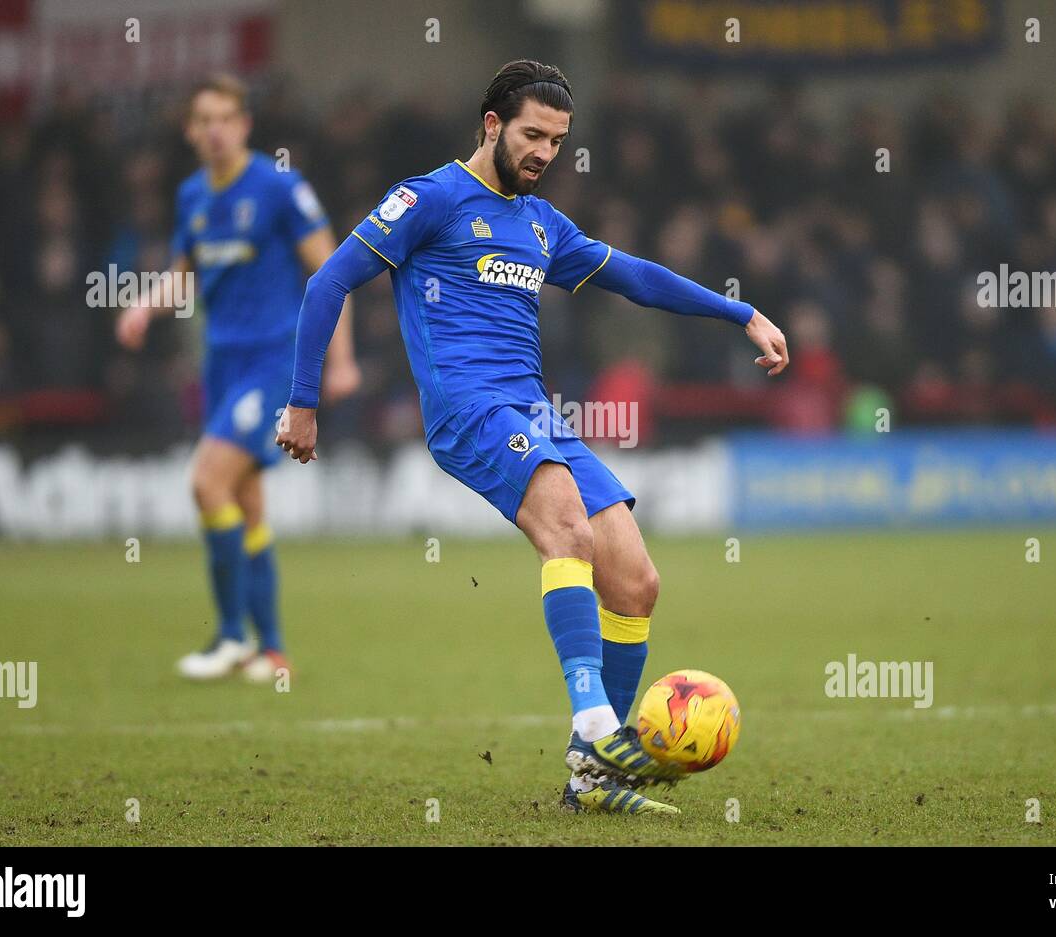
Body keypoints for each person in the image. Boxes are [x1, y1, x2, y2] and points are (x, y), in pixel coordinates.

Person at [275, 60, 787, 814]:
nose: (547, 152)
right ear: (493, 125)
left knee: (636, 581)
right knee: (567, 530)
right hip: (469, 410)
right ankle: (596, 729)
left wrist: (741, 313)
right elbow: (328, 282)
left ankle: (594, 783)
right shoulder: (429, 198)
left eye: (559, 140)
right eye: (534, 135)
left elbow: (635, 276)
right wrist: (303, 402)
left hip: (535, 414)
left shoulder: (544, 225)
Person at [116, 74, 361, 682]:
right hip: (221, 363)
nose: (216, 129)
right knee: (246, 504)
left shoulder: (279, 188)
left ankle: (229, 637)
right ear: (191, 131)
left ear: (245, 125)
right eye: (204, 119)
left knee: (206, 482)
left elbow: (333, 272)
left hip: (273, 359)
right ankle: (271, 653)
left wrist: (342, 358)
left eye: (227, 117)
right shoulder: (193, 196)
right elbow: (184, 270)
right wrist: (147, 305)